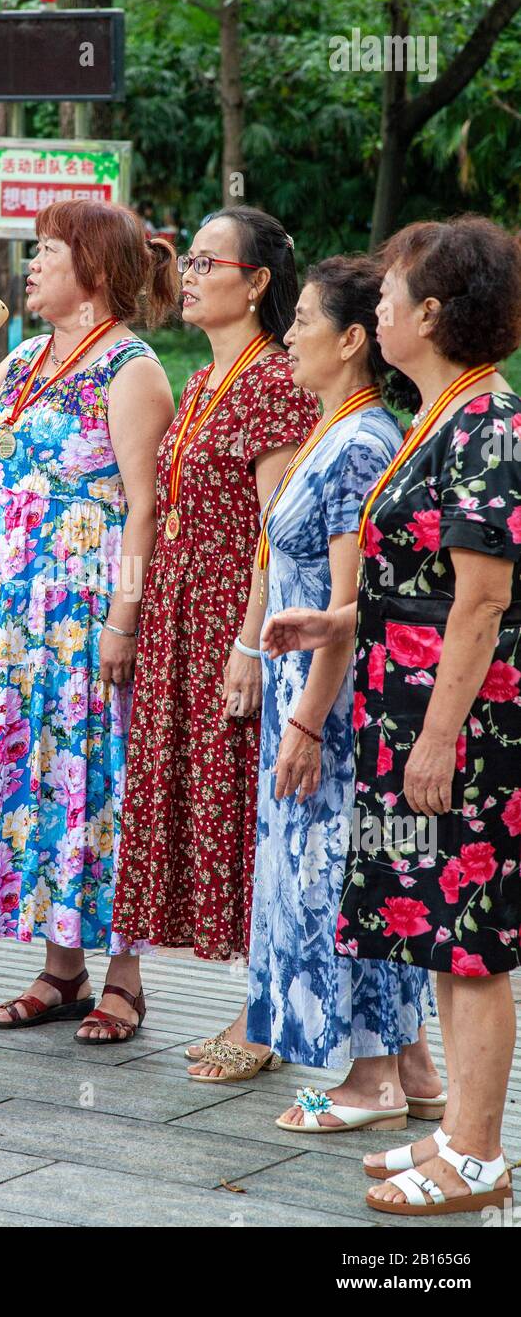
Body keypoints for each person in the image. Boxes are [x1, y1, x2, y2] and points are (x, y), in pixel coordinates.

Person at [263, 215, 521, 1217]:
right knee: (438, 934)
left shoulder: (485, 424)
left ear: (429, 312)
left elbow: (482, 599)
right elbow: (416, 580)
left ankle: (478, 1151)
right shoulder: (438, 415)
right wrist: (331, 619)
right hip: (407, 710)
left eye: (389, 292)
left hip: (457, 724)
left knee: (471, 940)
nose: (371, 305)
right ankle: (458, 1127)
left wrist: (438, 734)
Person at [0, 199, 178, 1041]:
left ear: (95, 272)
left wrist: (124, 621)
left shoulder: (133, 370)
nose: (29, 266)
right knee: (35, 783)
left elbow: (146, 509)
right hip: (7, 620)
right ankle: (59, 969)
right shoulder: (27, 357)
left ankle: (124, 979)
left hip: (81, 615)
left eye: (48, 252)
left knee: (97, 780)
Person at [109, 206, 319, 1073]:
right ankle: (253, 1003)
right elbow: (151, 514)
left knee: (249, 813)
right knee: (201, 803)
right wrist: (134, 613)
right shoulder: (201, 380)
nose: (188, 275)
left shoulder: (276, 381)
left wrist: (250, 646)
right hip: (176, 618)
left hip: (234, 623)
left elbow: (278, 530)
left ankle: (262, 1016)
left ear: (258, 282)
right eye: (186, 261)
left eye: (208, 261)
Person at [245, 254, 441, 1121]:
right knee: (351, 873)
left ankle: (369, 1079)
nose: (289, 334)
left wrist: (307, 720)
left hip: (336, 707)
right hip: (312, 694)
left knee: (339, 878)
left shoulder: (362, 444)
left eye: (306, 321)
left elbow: (348, 605)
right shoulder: (338, 429)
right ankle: (416, 1068)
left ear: (354, 339)